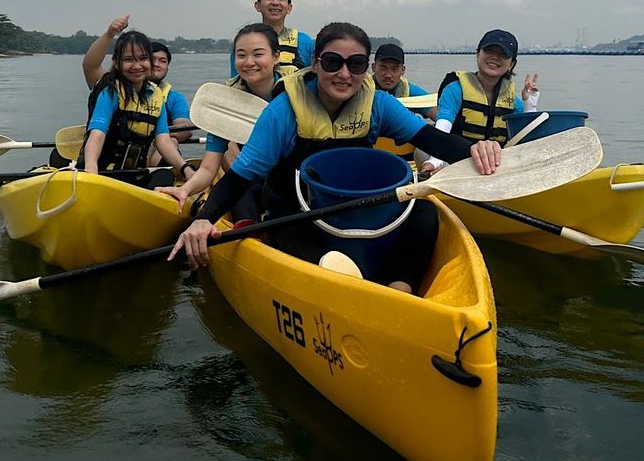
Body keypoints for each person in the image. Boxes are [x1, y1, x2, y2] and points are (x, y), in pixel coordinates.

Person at [171, 22, 503, 293]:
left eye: (355, 64)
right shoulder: (284, 110)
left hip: (358, 210)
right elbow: (242, 175)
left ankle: (400, 288)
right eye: (332, 62)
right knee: (288, 228)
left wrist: (473, 148)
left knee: (425, 210)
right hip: (298, 213)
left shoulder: (377, 103)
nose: (344, 74)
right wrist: (206, 218)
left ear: (365, 68)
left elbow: (427, 137)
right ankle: (342, 285)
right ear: (315, 62)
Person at [156, 23, 280, 217]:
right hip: (248, 185)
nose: (249, 62)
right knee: (240, 191)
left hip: (289, 183)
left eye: (258, 54)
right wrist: (185, 190)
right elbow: (207, 168)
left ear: (276, 57)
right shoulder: (225, 104)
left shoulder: (294, 95)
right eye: (241, 55)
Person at [81, 30, 197, 187]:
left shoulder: (156, 96)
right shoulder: (110, 91)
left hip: (134, 175)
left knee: (164, 175)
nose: (137, 66)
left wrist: (186, 169)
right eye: (128, 60)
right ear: (116, 62)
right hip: (102, 173)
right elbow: (97, 134)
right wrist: (91, 171)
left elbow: (163, 141)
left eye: (143, 59)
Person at [421, 29, 539, 174]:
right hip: (454, 158)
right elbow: (443, 126)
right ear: (478, 54)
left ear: (511, 64)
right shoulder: (455, 89)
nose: (495, 57)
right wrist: (435, 160)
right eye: (489, 50)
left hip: (494, 163)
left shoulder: (514, 102)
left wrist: (530, 105)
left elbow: (525, 140)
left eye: (503, 54)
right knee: (420, 151)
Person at [228, 0, 313, 77]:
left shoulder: (304, 42)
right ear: (258, 6)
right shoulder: (244, 42)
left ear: (289, 8)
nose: (275, 2)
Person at [370, 43, 433, 168]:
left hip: (406, 157)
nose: (388, 75)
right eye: (383, 68)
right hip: (370, 153)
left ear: (403, 70)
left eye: (394, 69)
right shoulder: (360, 91)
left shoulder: (412, 92)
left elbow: (441, 115)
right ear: (373, 67)